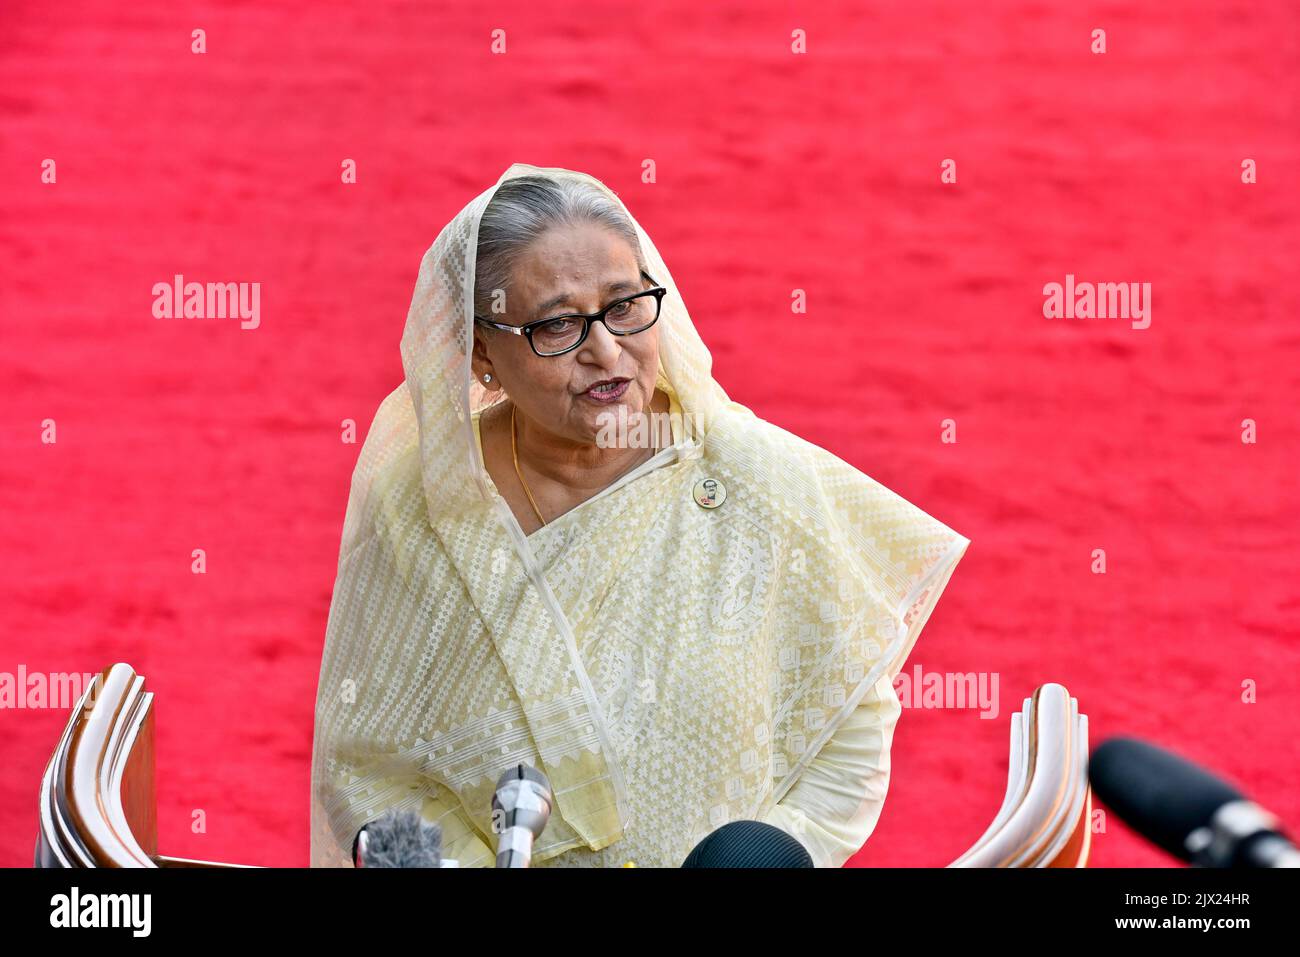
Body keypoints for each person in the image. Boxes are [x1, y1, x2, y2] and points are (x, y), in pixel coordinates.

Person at [309, 162, 971, 868]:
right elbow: (369, 767)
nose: (606, 351)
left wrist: (763, 858)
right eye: (559, 324)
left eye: (625, 306)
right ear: (481, 355)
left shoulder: (752, 477)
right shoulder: (423, 503)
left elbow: (849, 727)